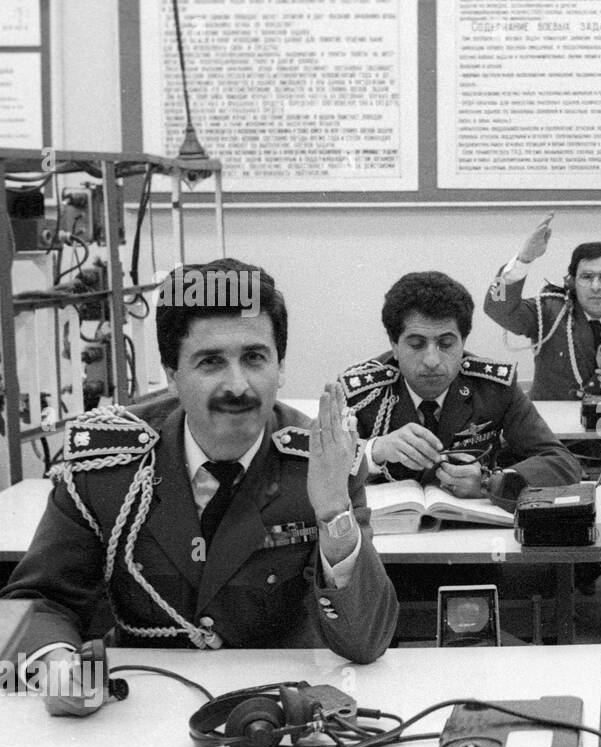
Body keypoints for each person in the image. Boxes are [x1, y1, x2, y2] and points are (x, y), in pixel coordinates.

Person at [2, 259, 400, 715]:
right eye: (211, 362)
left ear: (281, 366)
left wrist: (332, 512)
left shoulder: (322, 463)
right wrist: (61, 673)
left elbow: (365, 644)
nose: (238, 386)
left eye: (254, 358)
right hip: (137, 717)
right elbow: (33, 602)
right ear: (171, 374)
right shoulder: (110, 467)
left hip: (278, 716)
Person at [341, 270, 581, 501]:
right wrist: (374, 451)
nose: (432, 361)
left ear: (463, 341)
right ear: (394, 344)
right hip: (387, 533)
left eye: (446, 343)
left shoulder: (494, 388)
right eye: (416, 344)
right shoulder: (362, 392)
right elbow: (312, 466)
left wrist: (491, 482)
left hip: (473, 527)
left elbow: (562, 462)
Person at [484, 214, 601, 484]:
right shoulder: (549, 312)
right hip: (545, 447)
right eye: (586, 277)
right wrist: (523, 260)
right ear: (571, 281)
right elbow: (497, 307)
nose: (596, 286)